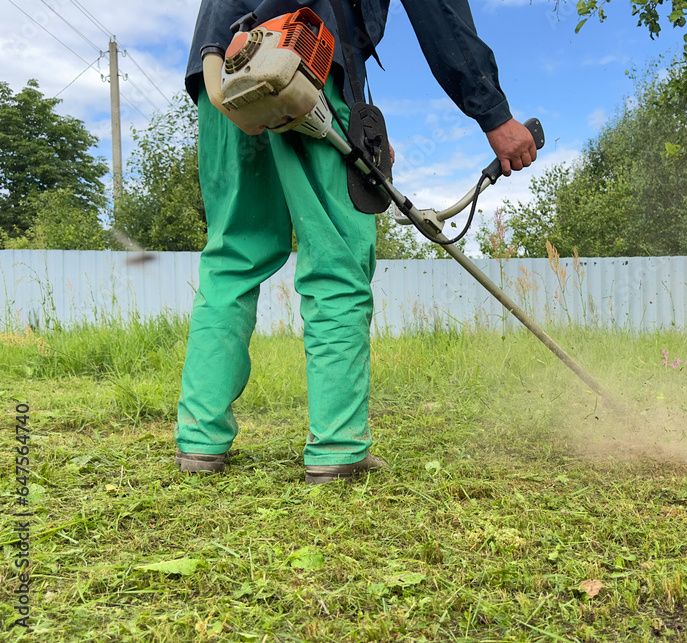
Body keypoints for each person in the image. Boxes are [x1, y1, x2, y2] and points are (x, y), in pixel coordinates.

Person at [174, 0, 536, 483]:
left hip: (221, 71)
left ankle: (200, 443)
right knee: (337, 257)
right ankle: (338, 448)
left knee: (232, 255)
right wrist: (494, 113)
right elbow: (439, 12)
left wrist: (360, 119)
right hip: (300, 57)